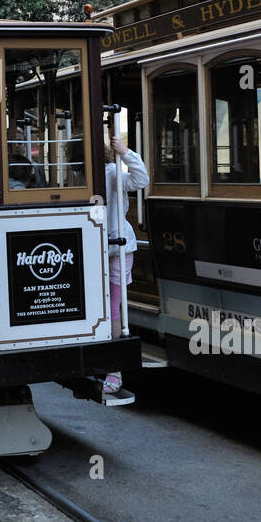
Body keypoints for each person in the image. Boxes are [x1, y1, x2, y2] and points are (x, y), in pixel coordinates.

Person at [103, 132, 149, 404]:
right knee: (110, 306)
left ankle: (114, 369)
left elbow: (142, 180)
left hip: (117, 248)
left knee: (112, 306)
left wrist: (126, 153)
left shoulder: (111, 173)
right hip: (101, 247)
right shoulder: (93, 176)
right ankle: (109, 367)